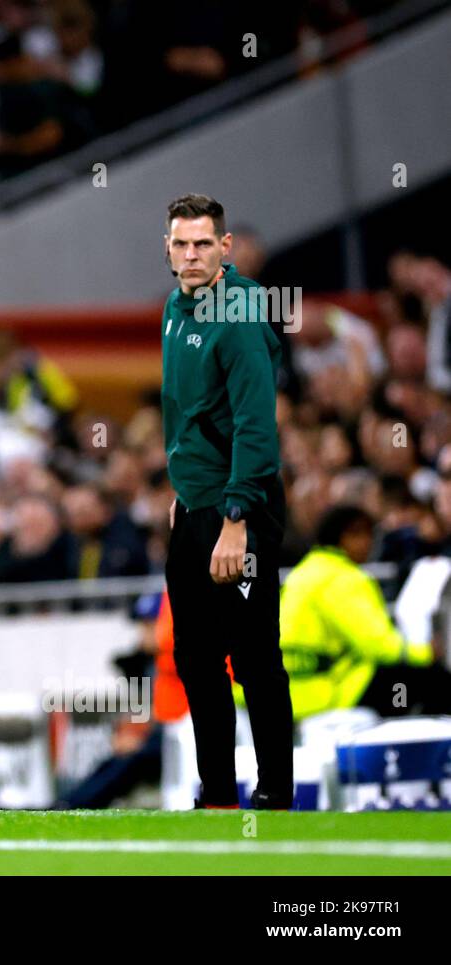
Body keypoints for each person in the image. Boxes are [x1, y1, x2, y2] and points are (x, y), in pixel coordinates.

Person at [160, 193, 293, 810]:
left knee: (254, 656)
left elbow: (254, 425)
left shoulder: (238, 312)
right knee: (195, 658)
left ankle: (275, 794)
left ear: (225, 247)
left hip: (240, 508)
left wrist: (235, 519)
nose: (191, 255)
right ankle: (216, 796)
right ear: (168, 248)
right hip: (195, 504)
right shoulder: (175, 307)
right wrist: (180, 489)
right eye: (181, 244)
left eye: (202, 244)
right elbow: (184, 411)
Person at [267, 504, 451, 719]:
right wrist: (426, 653)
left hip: (294, 689)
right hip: (329, 691)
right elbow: (379, 645)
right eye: (364, 536)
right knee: (425, 682)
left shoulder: (304, 571)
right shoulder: (343, 579)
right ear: (347, 536)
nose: (370, 544)